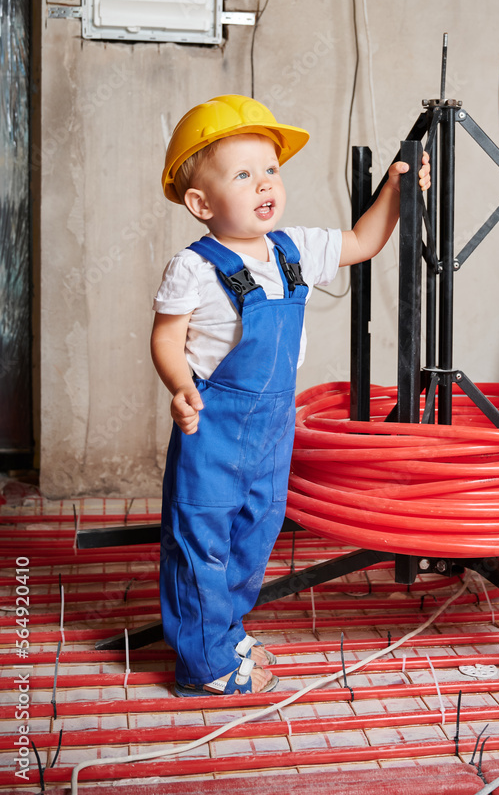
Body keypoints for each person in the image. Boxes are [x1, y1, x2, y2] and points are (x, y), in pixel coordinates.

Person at [151, 94, 430, 697]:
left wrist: (396, 194)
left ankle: (224, 628)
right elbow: (167, 339)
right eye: (243, 174)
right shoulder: (194, 268)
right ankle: (204, 666)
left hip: (273, 424)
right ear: (201, 203)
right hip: (213, 425)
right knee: (203, 540)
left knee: (256, 533)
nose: (264, 184)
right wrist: (179, 388)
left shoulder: (293, 249)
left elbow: (362, 242)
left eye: (271, 169)